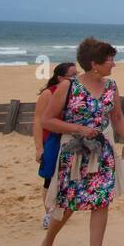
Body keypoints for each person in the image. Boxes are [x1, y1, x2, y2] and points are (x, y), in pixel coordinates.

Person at [32, 37, 124, 246]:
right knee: (67, 203)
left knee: (101, 202)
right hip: (74, 153)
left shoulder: (111, 86)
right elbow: (48, 119)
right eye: (109, 60)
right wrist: (79, 129)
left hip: (102, 152)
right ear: (94, 63)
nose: (113, 64)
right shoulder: (69, 87)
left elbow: (117, 117)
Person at [33, 61, 77, 229]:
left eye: (77, 74)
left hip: (69, 139)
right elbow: (38, 120)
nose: (76, 78)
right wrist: (39, 147)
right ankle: (48, 214)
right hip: (50, 140)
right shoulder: (48, 94)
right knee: (49, 178)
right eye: (72, 75)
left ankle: (61, 210)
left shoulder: (76, 93)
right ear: (60, 78)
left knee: (65, 177)